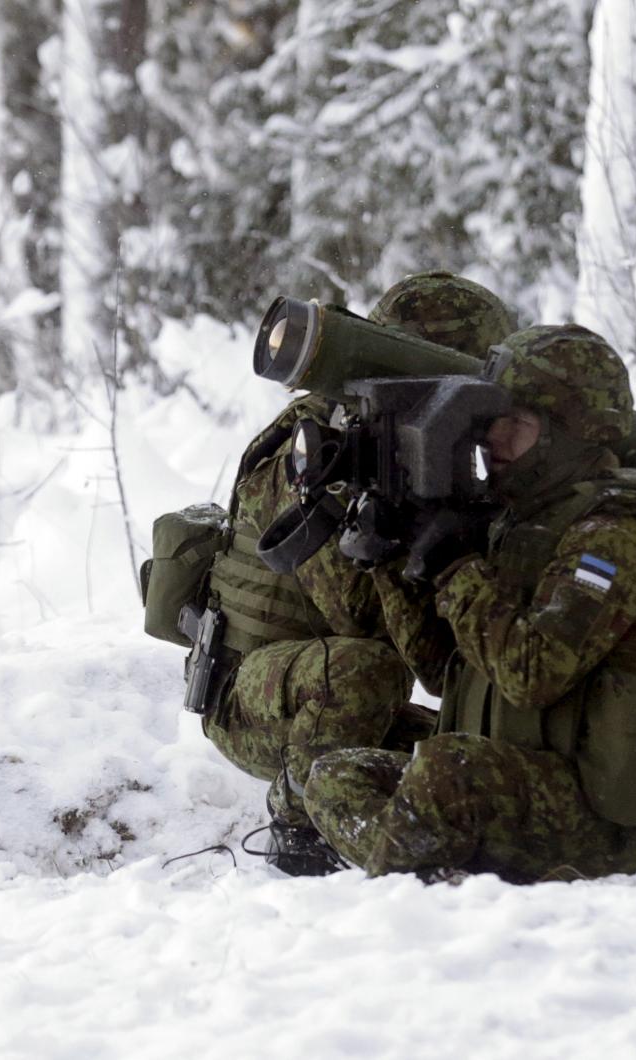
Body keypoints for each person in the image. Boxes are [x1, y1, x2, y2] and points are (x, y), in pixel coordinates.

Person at [301, 324, 636, 883]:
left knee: (445, 772)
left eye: (519, 423)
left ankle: (409, 885)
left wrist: (456, 569)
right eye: (493, 419)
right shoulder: (526, 520)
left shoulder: (618, 537)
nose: (494, 438)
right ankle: (417, 864)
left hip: (602, 816)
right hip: (522, 770)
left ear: (572, 434)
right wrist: (394, 560)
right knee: (337, 774)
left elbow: (530, 673)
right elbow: (446, 672)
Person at [198, 272, 516, 874]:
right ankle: (299, 821)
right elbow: (360, 616)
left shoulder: (418, 445)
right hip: (258, 697)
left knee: (480, 760)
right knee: (361, 669)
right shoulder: (320, 447)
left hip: (348, 695)